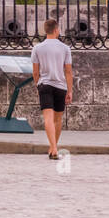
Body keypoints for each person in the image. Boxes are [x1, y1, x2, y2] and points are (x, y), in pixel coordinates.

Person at [31, 19, 74, 160]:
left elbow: (35, 72)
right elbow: (68, 71)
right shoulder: (65, 48)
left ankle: (53, 147)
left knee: (48, 118)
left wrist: (38, 84)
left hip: (45, 84)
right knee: (58, 119)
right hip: (60, 86)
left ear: (45, 30)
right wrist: (70, 91)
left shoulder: (37, 48)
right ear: (56, 30)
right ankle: (54, 147)